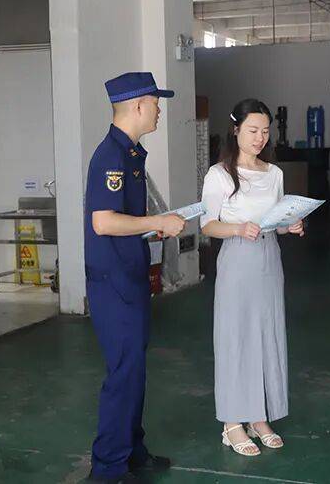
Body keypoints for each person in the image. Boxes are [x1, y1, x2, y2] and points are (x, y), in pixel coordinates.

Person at [84, 72, 186, 483]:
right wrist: (157, 221)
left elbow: (125, 219)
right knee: (123, 374)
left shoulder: (130, 154)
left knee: (134, 372)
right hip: (113, 281)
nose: (159, 110)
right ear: (138, 105)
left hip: (130, 274)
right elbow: (103, 222)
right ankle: (107, 469)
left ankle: (131, 453)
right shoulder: (110, 156)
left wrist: (150, 227)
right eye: (156, 103)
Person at [200, 99, 304, 457]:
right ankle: (232, 422)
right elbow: (207, 224)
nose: (260, 138)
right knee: (236, 337)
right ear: (236, 130)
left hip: (269, 259)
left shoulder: (273, 173)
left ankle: (259, 417)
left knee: (266, 334)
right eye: (252, 130)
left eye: (265, 131)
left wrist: (291, 225)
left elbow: (276, 219)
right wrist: (237, 228)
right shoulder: (219, 174)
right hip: (237, 260)